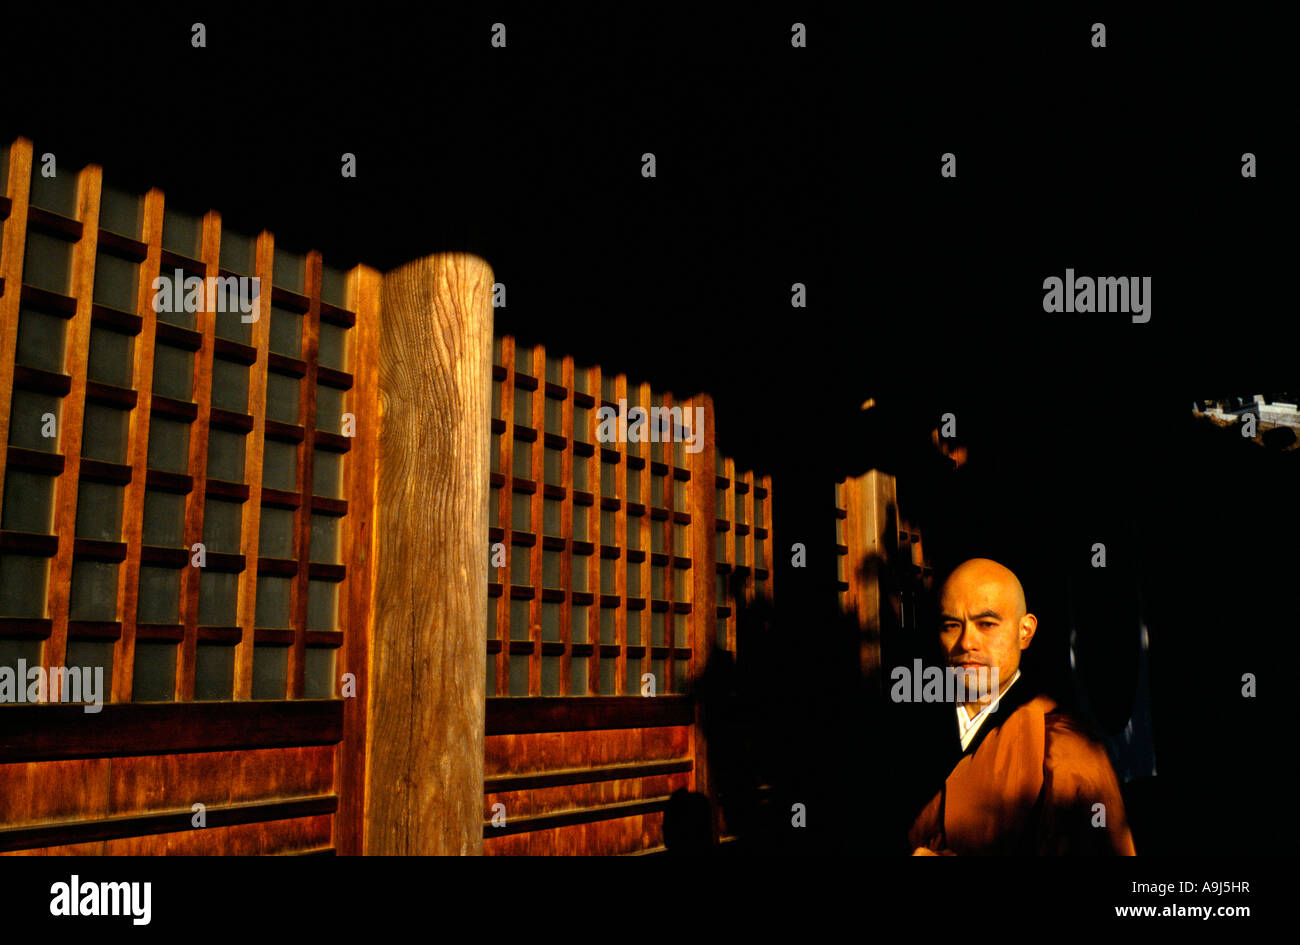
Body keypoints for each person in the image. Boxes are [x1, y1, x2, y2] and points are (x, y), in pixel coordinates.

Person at [907, 558, 1136, 855]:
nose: (966, 642)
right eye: (952, 626)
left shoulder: (1062, 744)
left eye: (986, 624)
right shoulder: (905, 730)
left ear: (1025, 631)